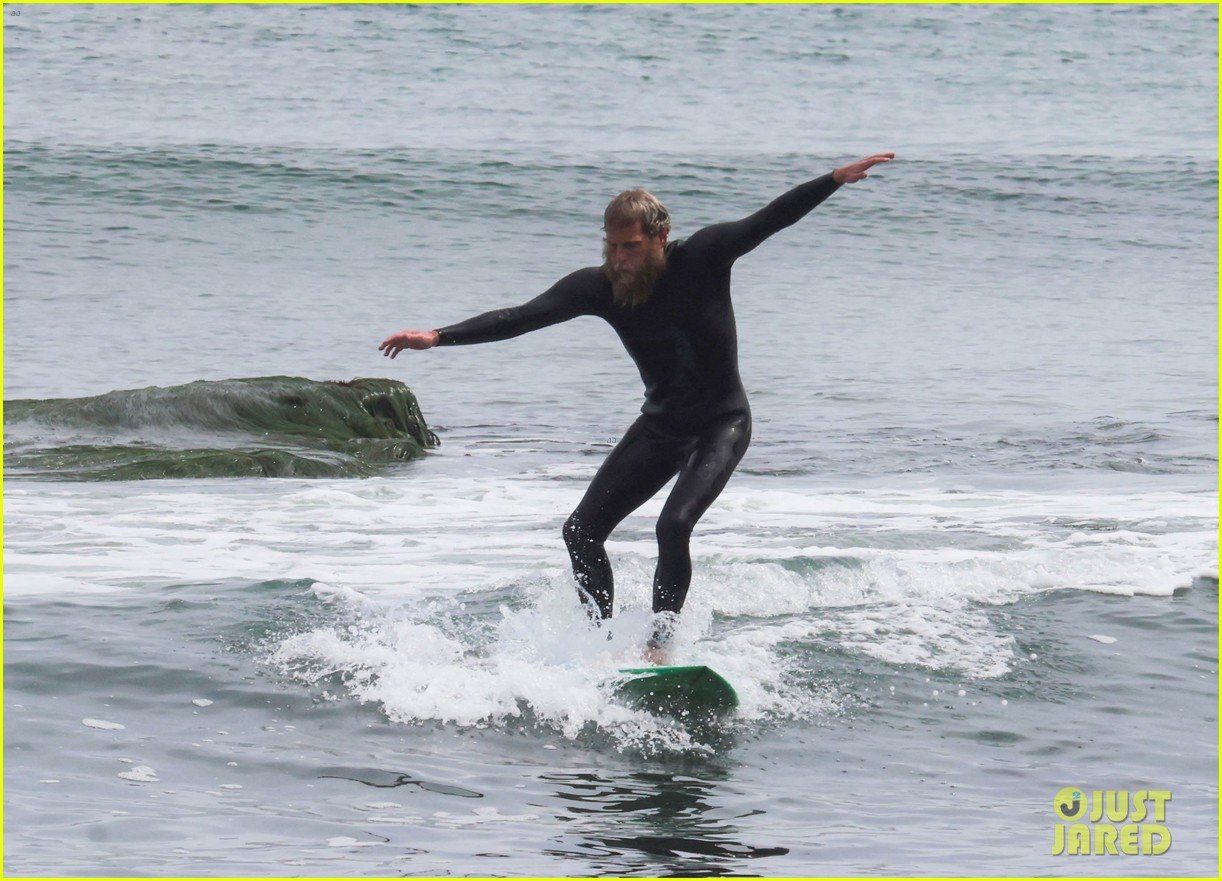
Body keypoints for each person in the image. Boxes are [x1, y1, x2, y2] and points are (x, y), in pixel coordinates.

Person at [380, 152, 895, 663]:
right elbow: (521, 317)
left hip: (722, 423)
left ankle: (659, 646)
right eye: (612, 247)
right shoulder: (600, 287)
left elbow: (769, 219)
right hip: (662, 425)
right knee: (580, 532)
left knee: (673, 526)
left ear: (660, 238)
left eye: (631, 247)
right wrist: (438, 337)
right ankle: (598, 644)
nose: (620, 258)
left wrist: (832, 180)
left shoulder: (705, 257)